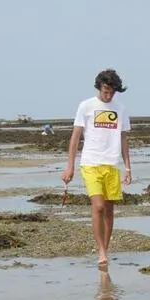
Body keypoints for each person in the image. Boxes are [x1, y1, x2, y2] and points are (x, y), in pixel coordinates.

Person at [62, 69, 132, 266]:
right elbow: (75, 138)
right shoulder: (86, 106)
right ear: (99, 87)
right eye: (105, 90)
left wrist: (128, 168)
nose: (108, 95)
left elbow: (124, 139)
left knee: (109, 211)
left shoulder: (121, 109)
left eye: (112, 92)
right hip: (91, 163)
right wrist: (70, 167)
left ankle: (105, 249)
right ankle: (100, 250)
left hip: (112, 164)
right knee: (99, 206)